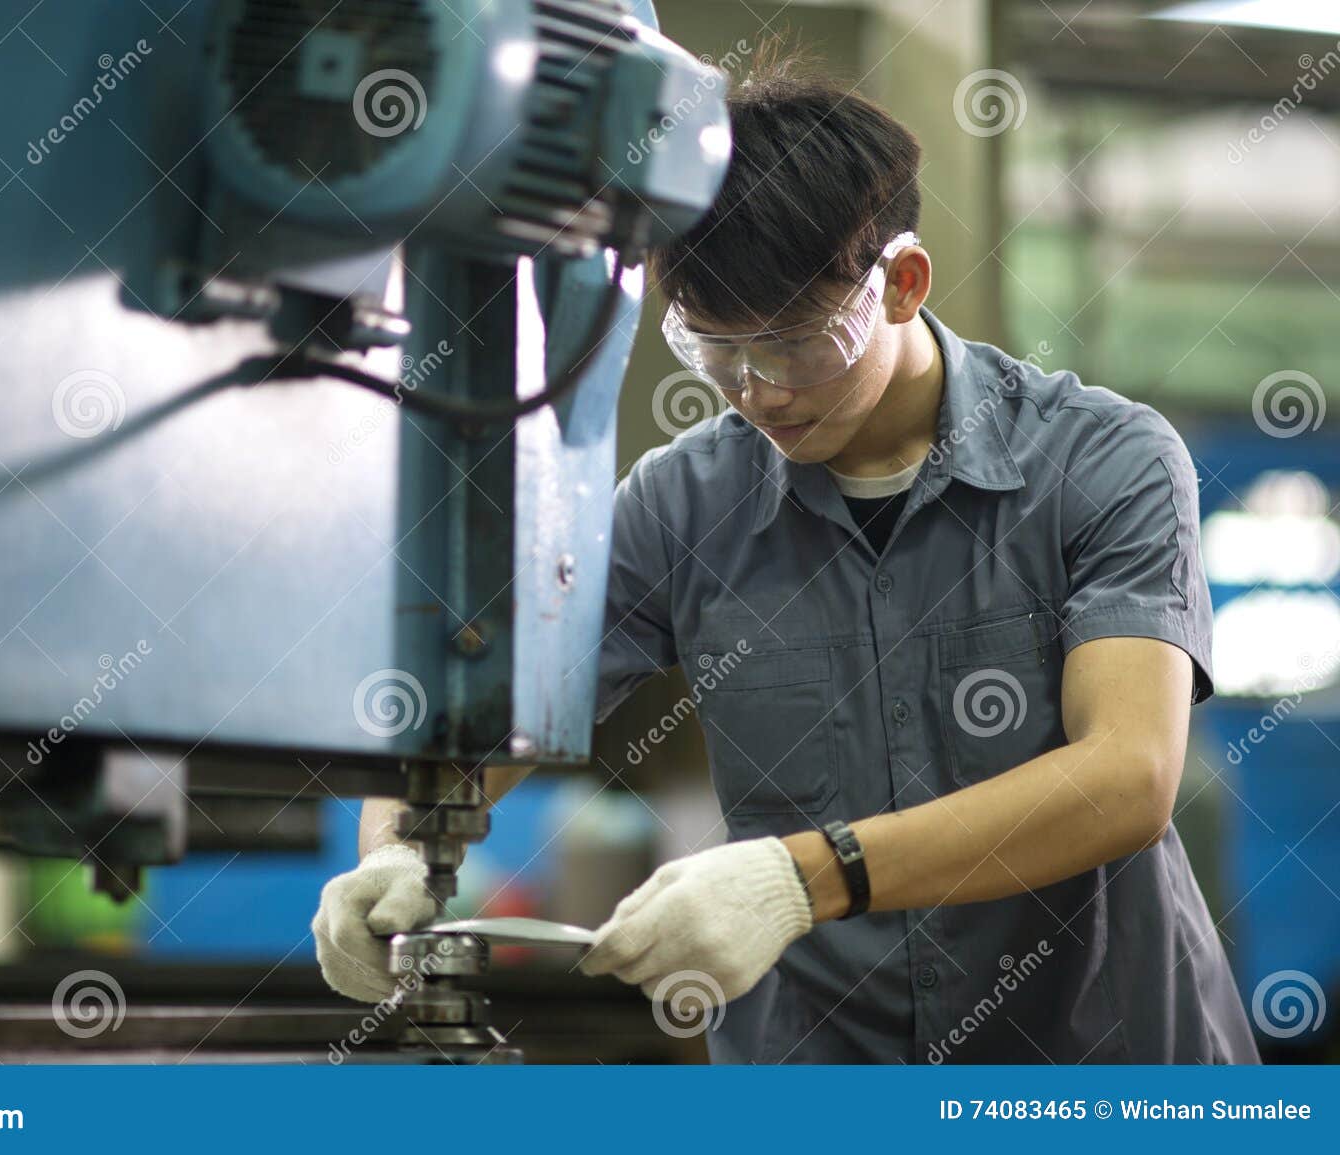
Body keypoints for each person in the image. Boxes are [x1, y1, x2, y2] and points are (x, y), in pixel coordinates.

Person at [312, 51, 1258, 1064]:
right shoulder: (684, 505)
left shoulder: (1104, 461)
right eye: (712, 352)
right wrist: (395, 845)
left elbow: (1124, 776)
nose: (756, 392)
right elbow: (493, 709)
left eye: (794, 344)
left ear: (901, 282)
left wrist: (800, 877)